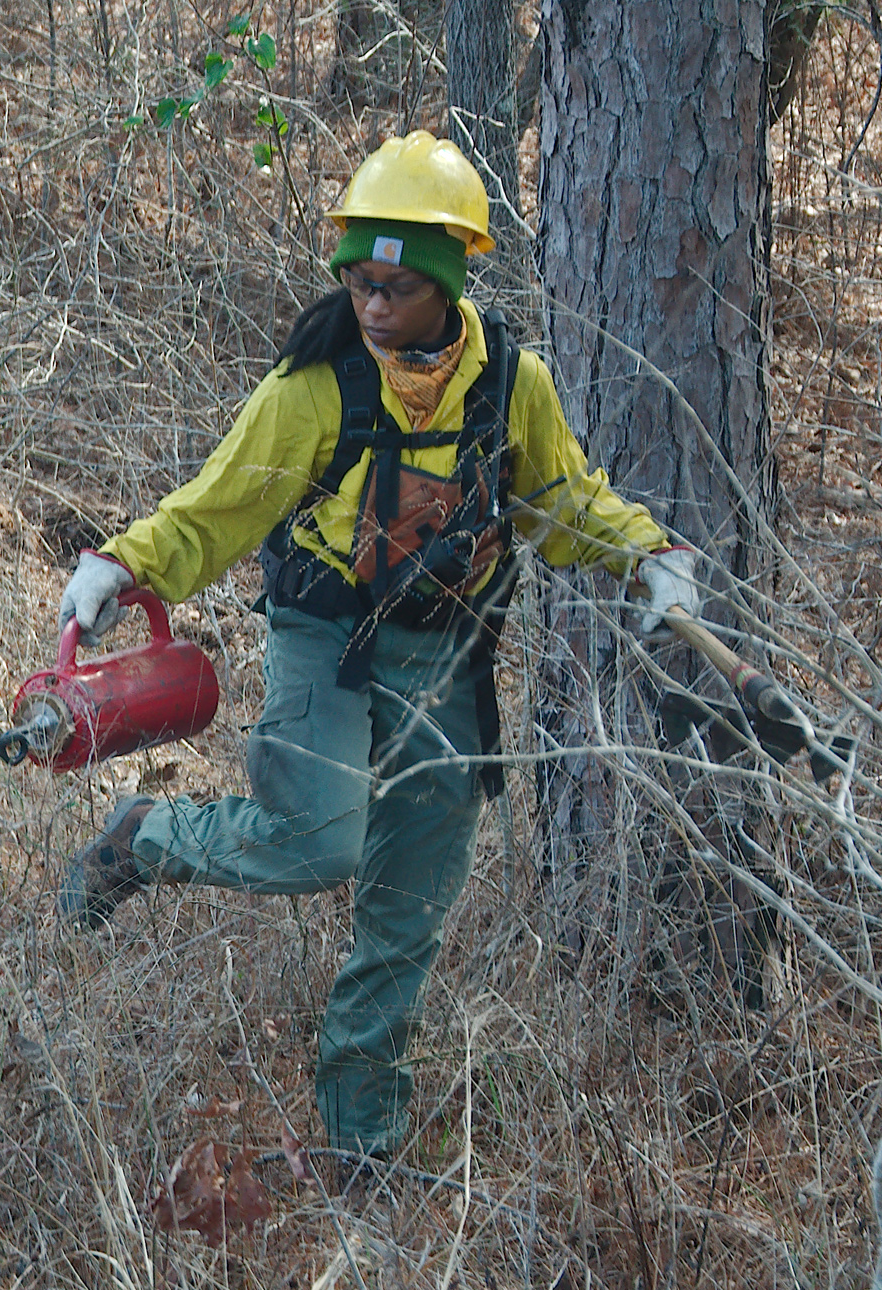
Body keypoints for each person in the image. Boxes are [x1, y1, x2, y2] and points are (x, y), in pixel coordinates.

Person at [55, 131, 700, 1165]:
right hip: (327, 644)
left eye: (393, 287)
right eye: (358, 281)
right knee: (317, 842)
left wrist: (644, 554)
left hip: (447, 658)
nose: (370, 304)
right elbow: (216, 504)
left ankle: (363, 1141)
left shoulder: (507, 385)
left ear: (443, 283)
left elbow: (559, 502)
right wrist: (120, 566)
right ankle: (144, 837)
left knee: (403, 916)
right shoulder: (317, 386)